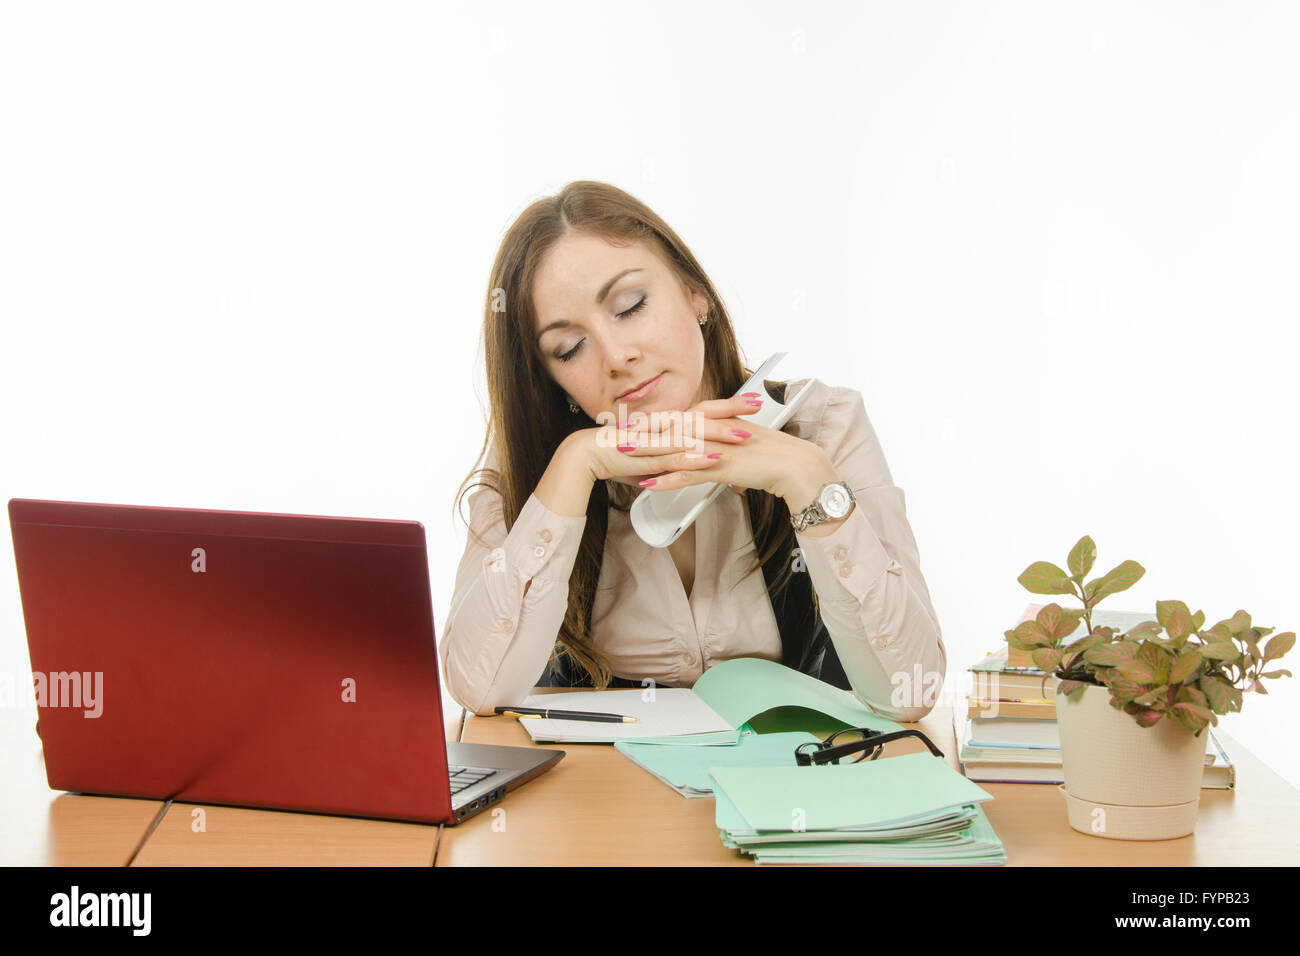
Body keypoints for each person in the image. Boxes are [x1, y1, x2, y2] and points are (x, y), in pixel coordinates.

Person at [441, 181, 945, 722]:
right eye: (569, 348)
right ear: (554, 380)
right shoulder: (536, 471)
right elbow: (481, 690)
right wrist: (576, 466)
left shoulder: (823, 425)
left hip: (794, 789)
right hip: (604, 799)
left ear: (694, 293)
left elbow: (908, 693)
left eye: (630, 306)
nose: (616, 356)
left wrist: (807, 480)